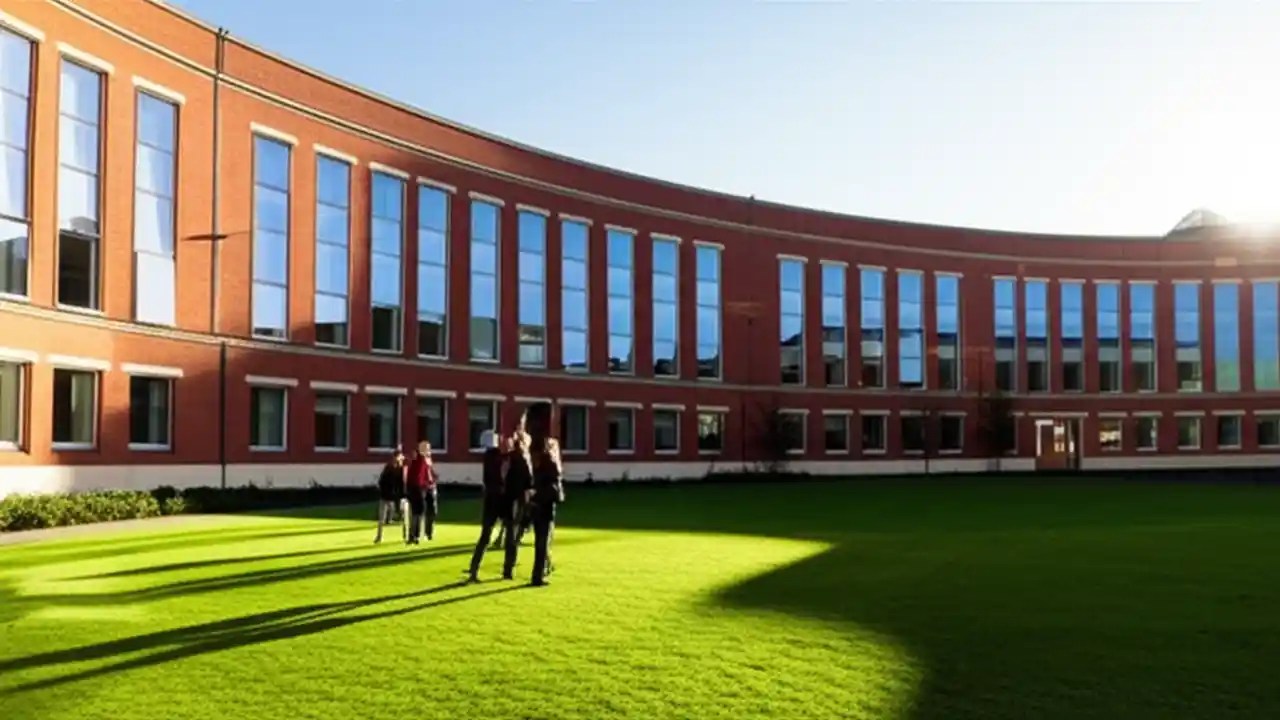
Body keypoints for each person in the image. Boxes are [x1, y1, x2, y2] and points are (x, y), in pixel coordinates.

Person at [525, 402, 564, 586]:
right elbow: (553, 474)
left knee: (543, 537)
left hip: (537, 498)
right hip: (545, 498)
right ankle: (538, 574)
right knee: (543, 537)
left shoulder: (532, 449)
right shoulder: (543, 452)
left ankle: (542, 569)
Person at [466, 430, 506, 582]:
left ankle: (474, 567)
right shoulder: (498, 458)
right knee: (509, 529)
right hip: (499, 498)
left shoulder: (487, 458)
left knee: (485, 535)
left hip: (490, 498)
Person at [501, 418, 535, 580]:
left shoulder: (508, 458)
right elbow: (529, 481)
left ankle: (508, 566)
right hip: (518, 498)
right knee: (514, 534)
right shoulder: (522, 459)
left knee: (510, 532)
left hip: (507, 498)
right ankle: (509, 567)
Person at [405, 441, 437, 544]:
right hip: (418, 488)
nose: (429, 451)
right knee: (418, 512)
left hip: (427, 487)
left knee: (429, 511)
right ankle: (414, 535)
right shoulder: (418, 459)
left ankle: (426, 533)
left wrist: (433, 480)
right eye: (426, 449)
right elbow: (416, 475)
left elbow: (429, 473)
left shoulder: (427, 460)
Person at [374, 448, 406, 544]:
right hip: (389, 496)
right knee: (383, 517)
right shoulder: (391, 468)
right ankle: (380, 536)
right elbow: (383, 481)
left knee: (401, 515)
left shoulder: (399, 468)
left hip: (392, 496)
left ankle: (405, 534)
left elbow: (402, 483)